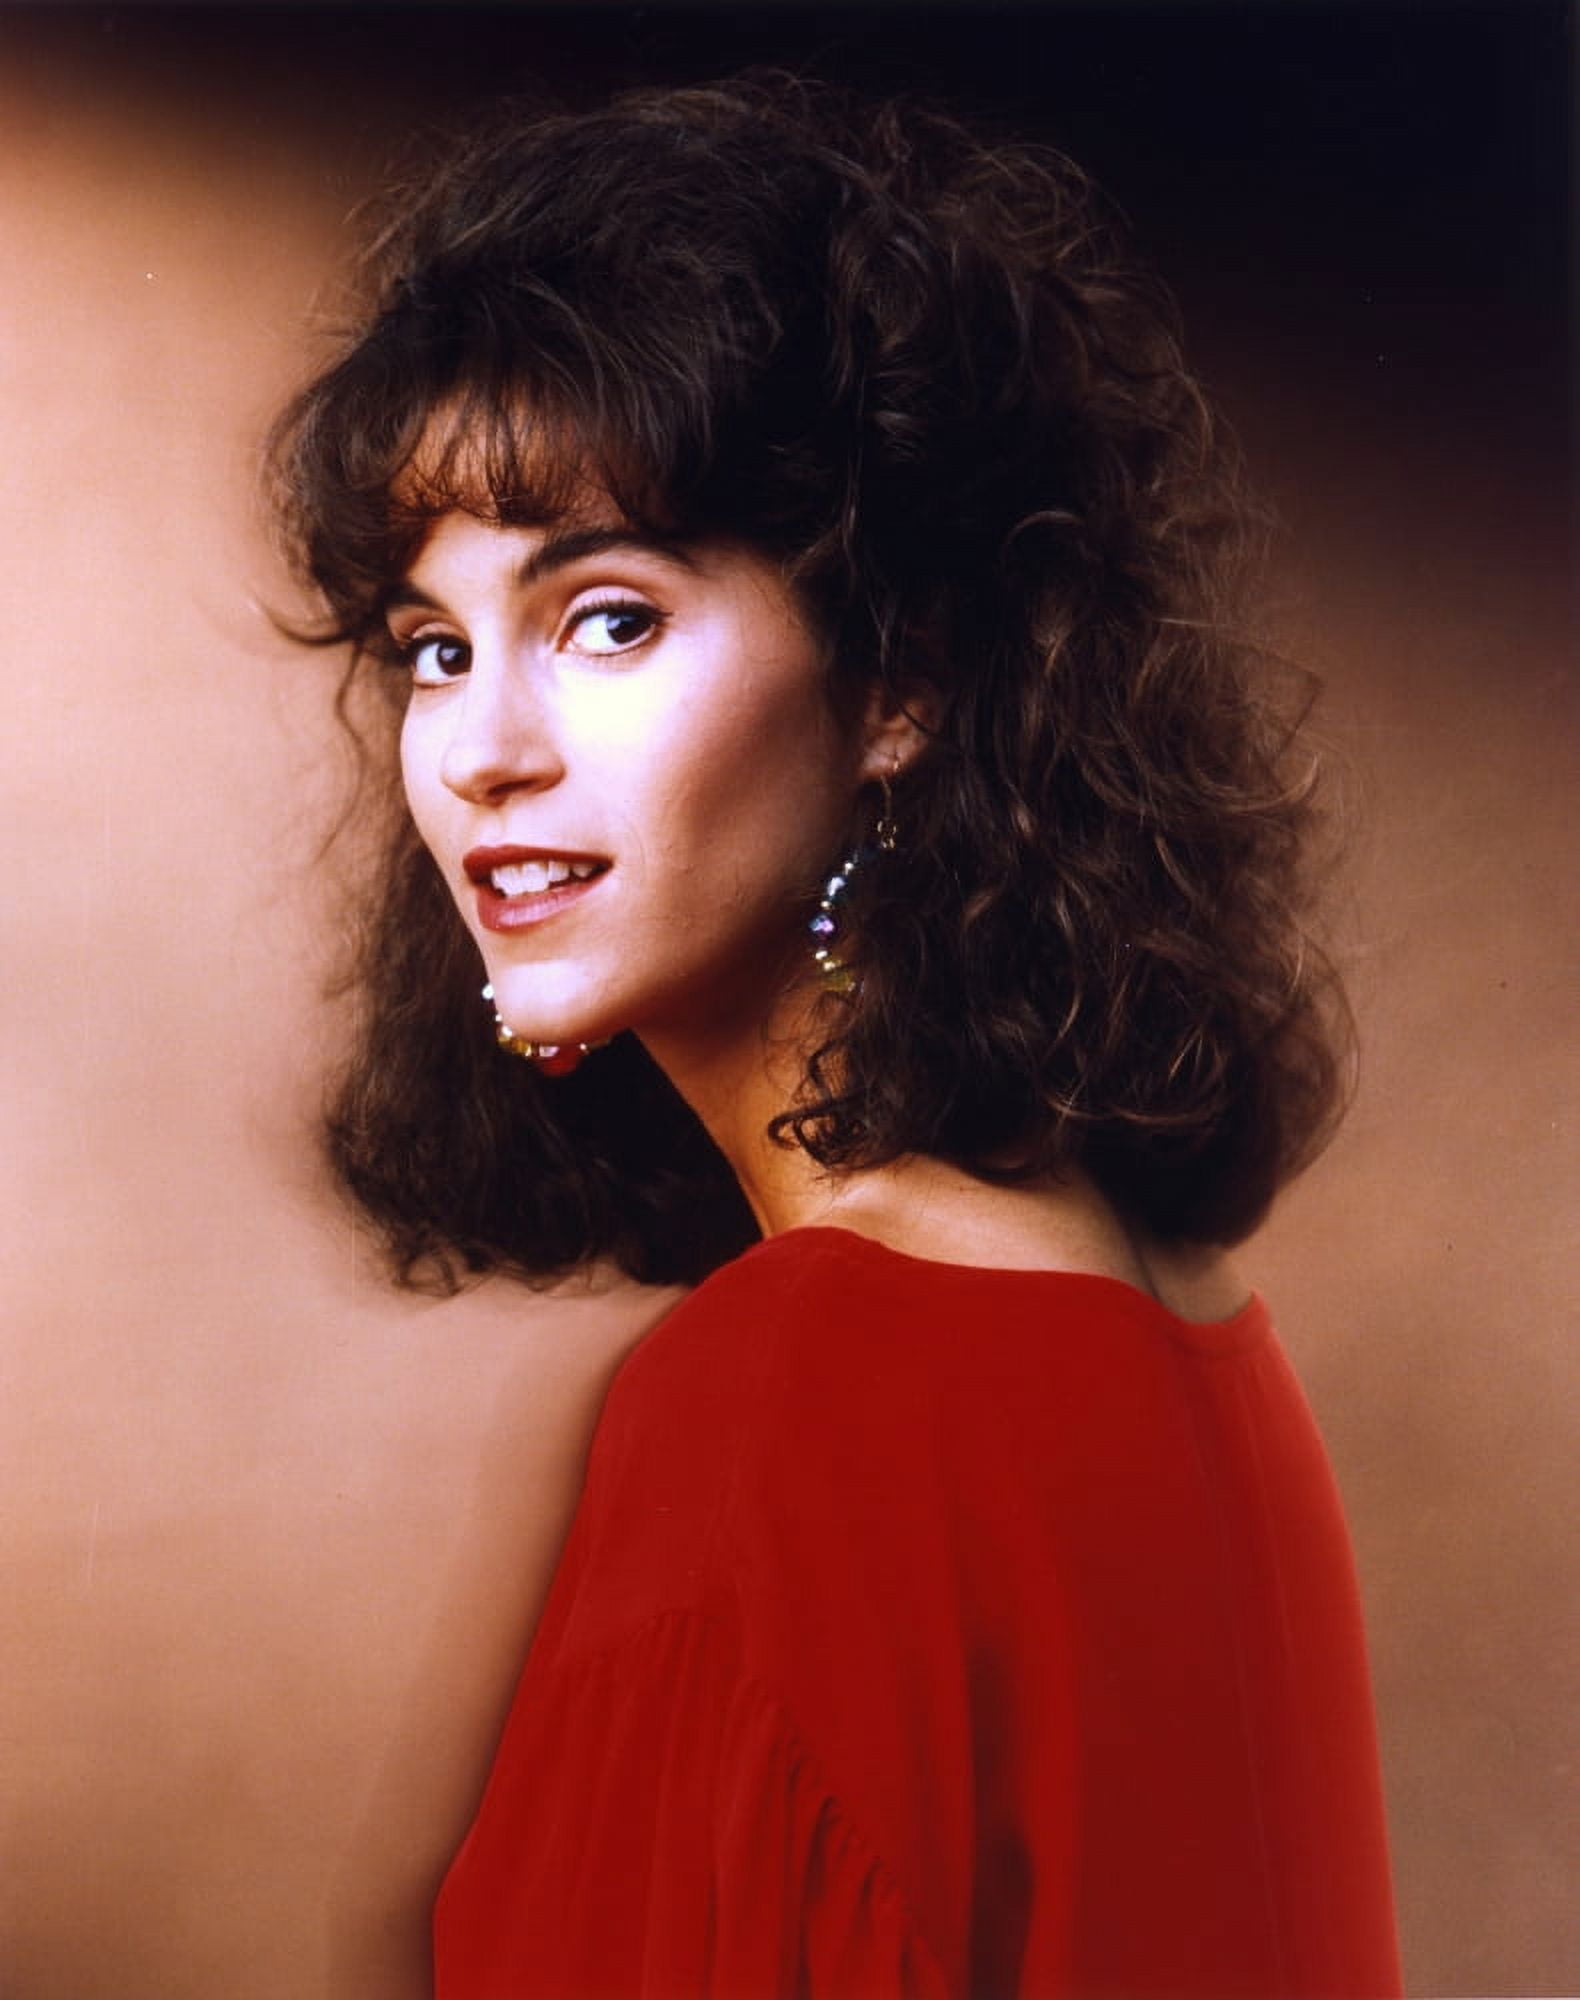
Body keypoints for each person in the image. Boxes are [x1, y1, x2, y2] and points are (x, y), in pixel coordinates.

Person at [269, 74, 1401, 1998]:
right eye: (433, 644)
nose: (479, 750)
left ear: (902, 681)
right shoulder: (1199, 1351)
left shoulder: (796, 1403)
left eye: (606, 616)